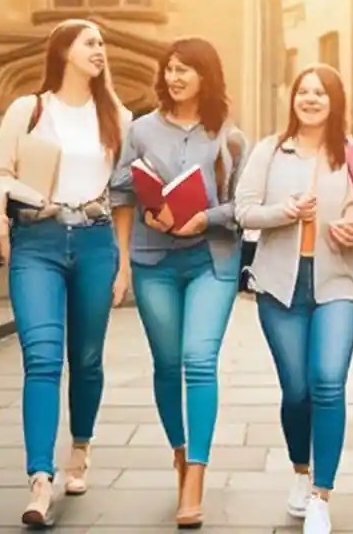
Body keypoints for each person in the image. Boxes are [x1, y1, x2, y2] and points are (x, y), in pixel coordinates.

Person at [0, 20, 132, 527]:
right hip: (38, 243)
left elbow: (124, 195)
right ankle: (40, 479)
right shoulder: (30, 109)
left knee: (87, 359)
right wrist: (0, 218)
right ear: (64, 50)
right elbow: (0, 171)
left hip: (94, 243)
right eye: (91, 42)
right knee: (42, 359)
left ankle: (81, 447)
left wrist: (124, 262)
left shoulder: (117, 115)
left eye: (102, 43)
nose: (100, 50)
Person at [110, 37, 249, 529]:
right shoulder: (142, 129)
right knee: (167, 364)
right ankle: (179, 449)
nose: (174, 78)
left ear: (206, 77)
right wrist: (124, 261)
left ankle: (196, 474)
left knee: (198, 359)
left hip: (211, 260)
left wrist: (204, 217)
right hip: (154, 262)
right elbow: (120, 192)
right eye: (169, 69)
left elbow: (243, 206)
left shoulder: (230, 138)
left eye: (185, 70)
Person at [235, 64, 353, 534]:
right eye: (303, 92)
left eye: (320, 93)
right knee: (297, 390)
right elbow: (243, 209)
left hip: (338, 286)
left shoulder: (351, 154)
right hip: (279, 286)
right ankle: (300, 470)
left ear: (335, 102)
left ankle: (321, 496)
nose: (310, 99)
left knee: (328, 381)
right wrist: (284, 211)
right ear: (293, 99)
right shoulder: (270, 150)